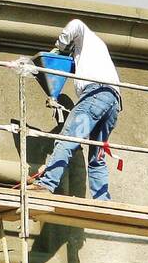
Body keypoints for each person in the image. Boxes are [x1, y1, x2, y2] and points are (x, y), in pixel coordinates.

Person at [28, 19, 122, 201]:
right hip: (113, 103)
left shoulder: (84, 35)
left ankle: (46, 184)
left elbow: (76, 24)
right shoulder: (95, 52)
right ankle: (103, 202)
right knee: (97, 157)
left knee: (66, 140)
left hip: (95, 94)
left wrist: (59, 47)